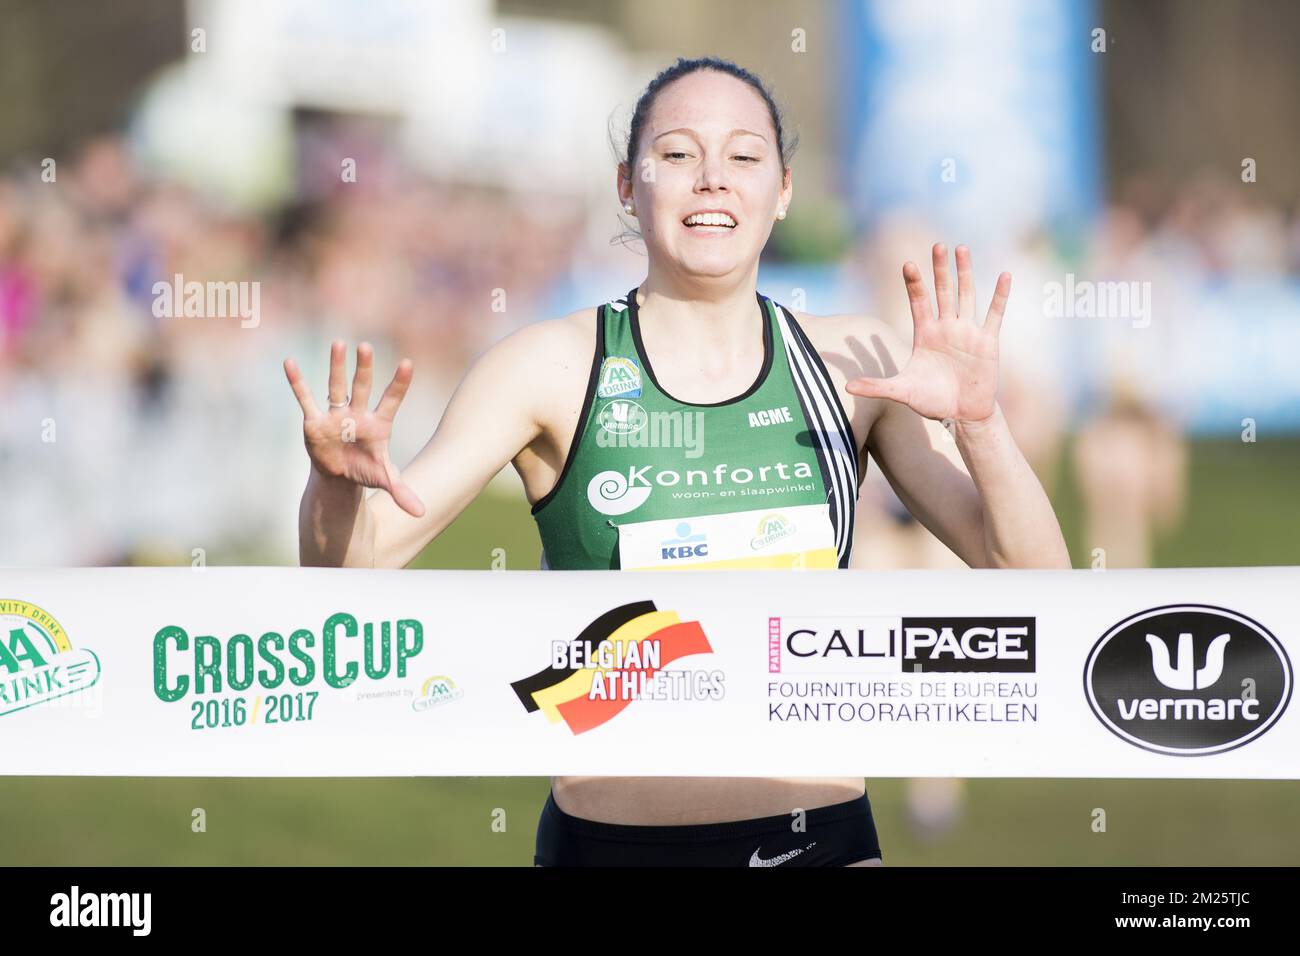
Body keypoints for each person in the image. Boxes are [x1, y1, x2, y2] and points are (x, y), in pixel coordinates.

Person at [284, 56, 1071, 867]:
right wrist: (333, 487)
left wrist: (983, 428)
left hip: (820, 842)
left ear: (785, 189)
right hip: (610, 844)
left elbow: (1041, 587)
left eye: (742, 156)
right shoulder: (546, 368)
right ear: (628, 184)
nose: (712, 181)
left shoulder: (853, 364)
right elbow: (353, 570)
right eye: (678, 154)